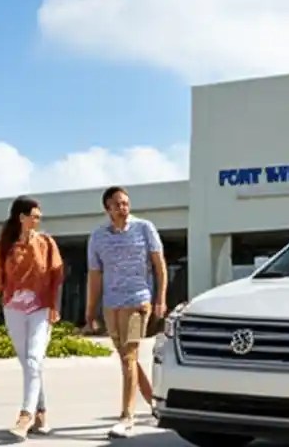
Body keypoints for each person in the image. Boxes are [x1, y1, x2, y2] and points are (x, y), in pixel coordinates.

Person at [0, 195, 64, 440]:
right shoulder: (5, 246)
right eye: (34, 216)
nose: (38, 220)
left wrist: (53, 306)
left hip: (40, 308)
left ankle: (25, 417)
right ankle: (41, 410)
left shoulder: (46, 243)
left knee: (34, 361)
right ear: (22, 218)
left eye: (39, 217)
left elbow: (55, 278)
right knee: (29, 364)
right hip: (13, 308)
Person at [85, 185, 167, 439]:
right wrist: (90, 312)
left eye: (126, 203)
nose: (123, 207)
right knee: (125, 358)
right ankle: (156, 403)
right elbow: (95, 276)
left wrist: (160, 299)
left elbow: (159, 266)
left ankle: (126, 417)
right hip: (112, 304)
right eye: (118, 204)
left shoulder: (145, 228)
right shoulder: (97, 237)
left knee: (130, 356)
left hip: (138, 300)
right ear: (107, 208)